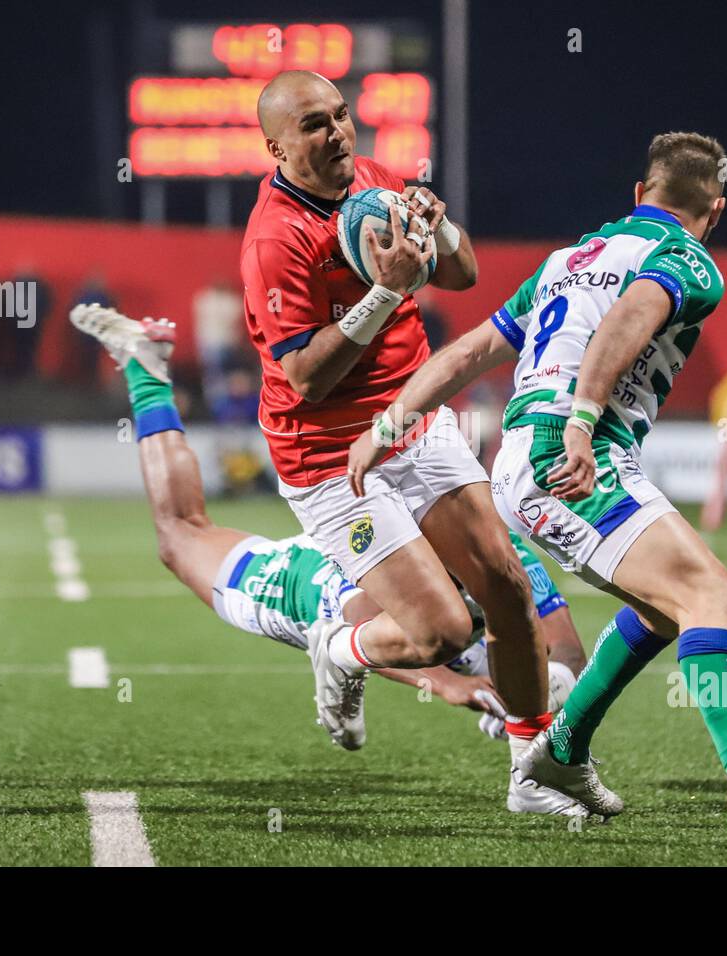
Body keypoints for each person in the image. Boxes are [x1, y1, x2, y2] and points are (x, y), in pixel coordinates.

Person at [348, 132, 727, 845]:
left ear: (639, 194)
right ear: (716, 209)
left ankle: (558, 755)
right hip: (569, 451)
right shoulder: (686, 257)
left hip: (528, 455)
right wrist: (584, 422)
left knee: (661, 612)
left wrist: (388, 424)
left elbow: (471, 351)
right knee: (712, 598)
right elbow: (627, 320)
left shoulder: (567, 260)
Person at [68, 306, 589, 816]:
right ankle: (148, 376)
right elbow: (357, 621)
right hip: (309, 589)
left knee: (186, 535)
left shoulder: (500, 553)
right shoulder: (398, 562)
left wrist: (549, 692)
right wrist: (448, 684)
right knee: (179, 535)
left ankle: (145, 366)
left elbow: (566, 647)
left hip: (360, 554)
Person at [238, 70, 565, 785]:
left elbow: (463, 274)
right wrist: (386, 291)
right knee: (441, 632)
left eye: (340, 114)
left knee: (508, 589)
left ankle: (534, 770)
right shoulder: (274, 240)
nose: (337, 133)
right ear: (277, 149)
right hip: (327, 455)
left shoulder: (374, 182)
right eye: (314, 125)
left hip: (413, 421)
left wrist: (439, 225)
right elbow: (307, 379)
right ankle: (342, 649)